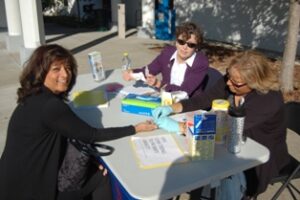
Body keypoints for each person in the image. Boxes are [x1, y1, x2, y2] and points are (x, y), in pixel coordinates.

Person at [0, 44, 157, 200]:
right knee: (101, 176)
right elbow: (92, 134)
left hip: (12, 181)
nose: (65, 74)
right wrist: (135, 128)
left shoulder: (33, 96)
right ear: (41, 72)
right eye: (56, 69)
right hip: (34, 191)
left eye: (67, 68)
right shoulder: (51, 106)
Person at [152, 50, 290, 198]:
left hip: (257, 159)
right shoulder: (231, 81)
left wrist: (180, 127)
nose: (228, 82)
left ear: (254, 83)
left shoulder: (268, 99)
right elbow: (204, 99)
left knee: (200, 171)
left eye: (235, 82)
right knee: (188, 165)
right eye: (229, 75)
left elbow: (229, 128)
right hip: (228, 146)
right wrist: (172, 108)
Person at [122, 22, 209, 98]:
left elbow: (184, 92)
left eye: (191, 45)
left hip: (188, 105)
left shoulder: (201, 62)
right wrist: (132, 72)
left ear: (196, 47)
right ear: (176, 41)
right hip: (165, 100)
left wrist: (159, 84)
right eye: (181, 42)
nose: (184, 47)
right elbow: (149, 70)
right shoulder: (168, 52)